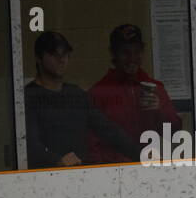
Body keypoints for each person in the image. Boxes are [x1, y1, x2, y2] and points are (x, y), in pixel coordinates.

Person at [24, 31, 141, 169]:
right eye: (55, 55)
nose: (62, 59)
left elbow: (108, 130)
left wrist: (141, 154)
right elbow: (28, 144)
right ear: (38, 58)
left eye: (65, 54)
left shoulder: (76, 94)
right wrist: (55, 160)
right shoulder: (28, 96)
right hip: (41, 179)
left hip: (80, 175)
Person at [87, 23, 181, 165]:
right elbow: (91, 144)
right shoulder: (99, 92)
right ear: (113, 53)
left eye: (137, 52)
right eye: (125, 52)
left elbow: (174, 133)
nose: (132, 58)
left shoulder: (156, 88)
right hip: (114, 172)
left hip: (150, 168)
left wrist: (160, 110)